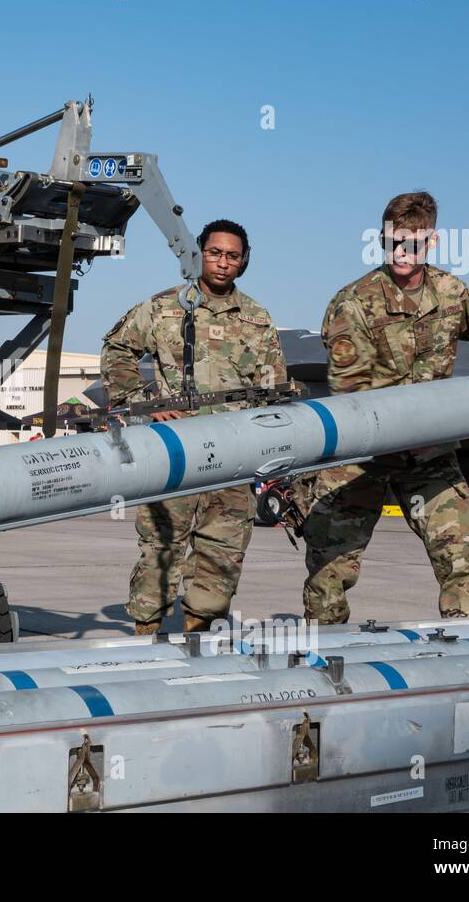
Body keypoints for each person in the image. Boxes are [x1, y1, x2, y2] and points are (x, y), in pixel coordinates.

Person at [301, 191, 469, 623]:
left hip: (429, 456)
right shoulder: (354, 301)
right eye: (392, 242)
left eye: (412, 243)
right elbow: (352, 386)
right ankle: (323, 654)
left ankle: (468, 652)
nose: (401, 253)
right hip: (363, 456)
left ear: (431, 242)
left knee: (459, 559)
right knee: (330, 570)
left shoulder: (450, 292)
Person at [102, 218, 286, 634]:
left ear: (243, 263)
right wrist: (145, 403)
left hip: (233, 460)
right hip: (174, 453)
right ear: (199, 254)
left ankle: (197, 642)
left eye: (233, 256)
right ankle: (144, 642)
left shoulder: (257, 319)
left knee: (221, 555)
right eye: (215, 253)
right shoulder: (164, 308)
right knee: (160, 551)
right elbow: (117, 349)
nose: (223, 263)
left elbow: (273, 391)